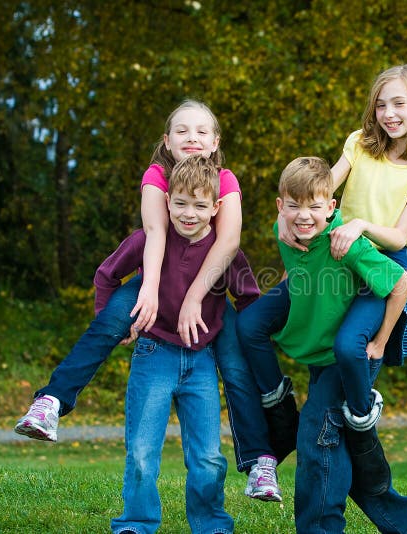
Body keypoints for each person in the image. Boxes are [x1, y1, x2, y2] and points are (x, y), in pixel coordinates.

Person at [14, 100, 275, 486]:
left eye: (202, 131)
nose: (192, 138)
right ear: (167, 140)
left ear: (215, 142)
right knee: (109, 323)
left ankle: (259, 461)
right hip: (158, 275)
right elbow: (153, 231)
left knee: (237, 366)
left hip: (209, 288)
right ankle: (50, 402)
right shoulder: (158, 175)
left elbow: (228, 242)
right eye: (182, 131)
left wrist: (194, 299)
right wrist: (148, 290)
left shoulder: (224, 180)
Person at [235, 64, 407, 507]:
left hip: (380, 262)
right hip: (333, 253)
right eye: (381, 104)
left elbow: (400, 235)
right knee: (250, 324)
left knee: (350, 346)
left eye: (399, 103)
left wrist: (360, 225)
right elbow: (319, 189)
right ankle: (278, 402)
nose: (389, 113)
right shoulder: (360, 144)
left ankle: (362, 411)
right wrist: (289, 214)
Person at [239, 156, 407, 533]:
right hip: (322, 348)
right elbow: (297, 268)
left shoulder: (346, 243)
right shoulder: (286, 231)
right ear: (280, 206)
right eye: (293, 206)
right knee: (330, 435)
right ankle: (404, 519)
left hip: (353, 353)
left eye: (314, 207)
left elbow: (402, 283)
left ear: (331, 207)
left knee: (319, 435)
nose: (303, 216)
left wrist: (380, 341)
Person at [103, 154, 255, 534]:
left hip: (202, 360)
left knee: (207, 456)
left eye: (200, 206)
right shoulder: (150, 241)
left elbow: (249, 299)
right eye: (181, 203)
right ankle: (135, 523)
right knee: (142, 452)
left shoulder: (224, 252)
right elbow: (107, 275)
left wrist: (255, 341)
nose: (189, 214)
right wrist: (111, 322)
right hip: (153, 354)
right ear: (167, 200)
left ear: (215, 208)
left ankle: (211, 524)